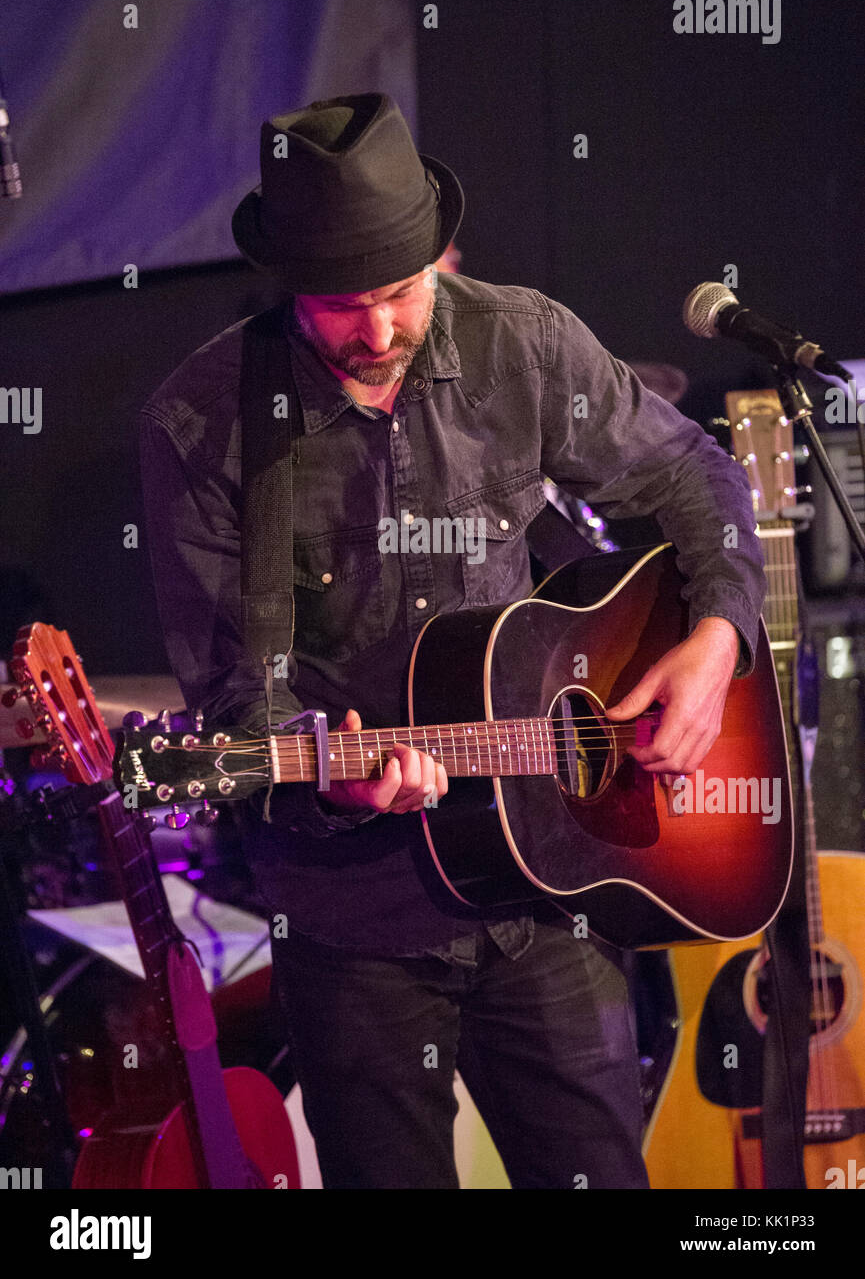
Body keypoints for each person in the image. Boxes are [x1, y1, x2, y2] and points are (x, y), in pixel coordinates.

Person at [139, 92, 766, 1189]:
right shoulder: (201, 423)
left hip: (551, 883)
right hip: (356, 926)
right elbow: (242, 698)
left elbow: (693, 474)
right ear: (286, 283)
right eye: (339, 307)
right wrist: (331, 786)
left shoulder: (519, 340)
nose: (376, 333)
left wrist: (717, 633)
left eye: (396, 293)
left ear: (440, 254)